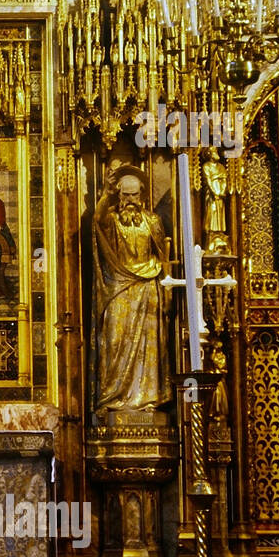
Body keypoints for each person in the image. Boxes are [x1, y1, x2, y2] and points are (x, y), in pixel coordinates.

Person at [92, 169, 170, 415]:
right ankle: (112, 396)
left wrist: (166, 291)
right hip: (118, 290)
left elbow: (163, 257)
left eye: (134, 195)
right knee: (114, 342)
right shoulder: (112, 220)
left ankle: (147, 398)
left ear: (142, 195)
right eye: (125, 195)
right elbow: (97, 219)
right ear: (119, 195)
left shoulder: (153, 221)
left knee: (149, 348)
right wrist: (106, 194)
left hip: (148, 289)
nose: (130, 201)